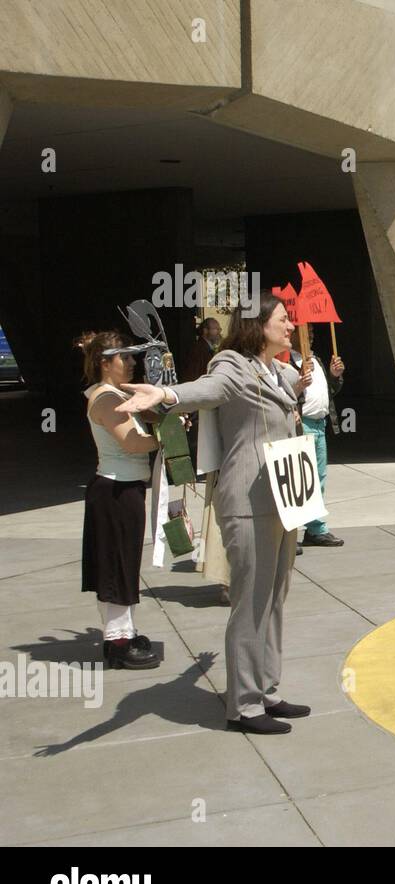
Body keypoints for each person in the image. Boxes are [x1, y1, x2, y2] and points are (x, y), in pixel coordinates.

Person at [115, 292, 316, 734]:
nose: (289, 325)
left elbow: (288, 397)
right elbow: (207, 390)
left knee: (275, 597)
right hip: (248, 500)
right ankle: (243, 707)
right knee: (250, 601)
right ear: (257, 324)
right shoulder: (234, 364)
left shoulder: (277, 369)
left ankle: (267, 689)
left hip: (284, 498)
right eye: (282, 319)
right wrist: (165, 393)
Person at [78, 331, 162, 669]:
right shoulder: (106, 398)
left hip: (124, 489)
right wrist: (166, 436)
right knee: (115, 565)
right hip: (114, 490)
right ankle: (117, 642)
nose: (131, 363)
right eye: (124, 358)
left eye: (131, 356)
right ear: (104, 363)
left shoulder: (115, 392)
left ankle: (123, 631)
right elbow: (132, 442)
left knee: (123, 563)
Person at [290, 334, 346, 547]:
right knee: (298, 480)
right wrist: (299, 379)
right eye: (305, 332)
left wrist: (334, 376)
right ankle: (290, 532)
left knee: (318, 479)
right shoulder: (286, 361)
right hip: (301, 424)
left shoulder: (317, 360)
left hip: (319, 424)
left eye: (312, 333)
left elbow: (329, 391)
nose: (310, 337)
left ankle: (315, 528)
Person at [181, 317, 222, 383]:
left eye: (219, 329)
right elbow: (192, 376)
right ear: (205, 330)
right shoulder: (198, 349)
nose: (219, 332)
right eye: (216, 329)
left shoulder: (205, 348)